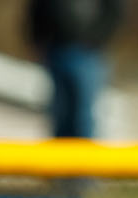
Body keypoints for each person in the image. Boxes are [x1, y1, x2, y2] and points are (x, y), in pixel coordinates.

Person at [27, 0, 126, 139]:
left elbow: (115, 12)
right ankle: (60, 158)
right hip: (56, 50)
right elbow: (38, 8)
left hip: (89, 54)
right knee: (60, 113)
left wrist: (95, 40)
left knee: (83, 116)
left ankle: (84, 159)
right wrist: (38, 40)